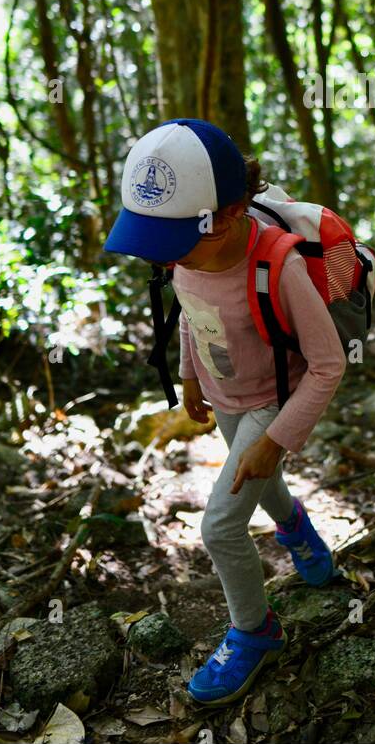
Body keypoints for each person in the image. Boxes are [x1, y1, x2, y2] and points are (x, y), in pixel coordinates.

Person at [104, 118, 346, 707]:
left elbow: (327, 364)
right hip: (226, 396)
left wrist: (278, 437)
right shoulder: (186, 256)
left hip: (271, 400)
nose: (172, 258)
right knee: (263, 490)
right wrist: (190, 375)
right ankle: (301, 536)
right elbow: (191, 312)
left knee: (219, 524)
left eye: (181, 242)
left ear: (232, 214)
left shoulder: (277, 266)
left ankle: (256, 631)